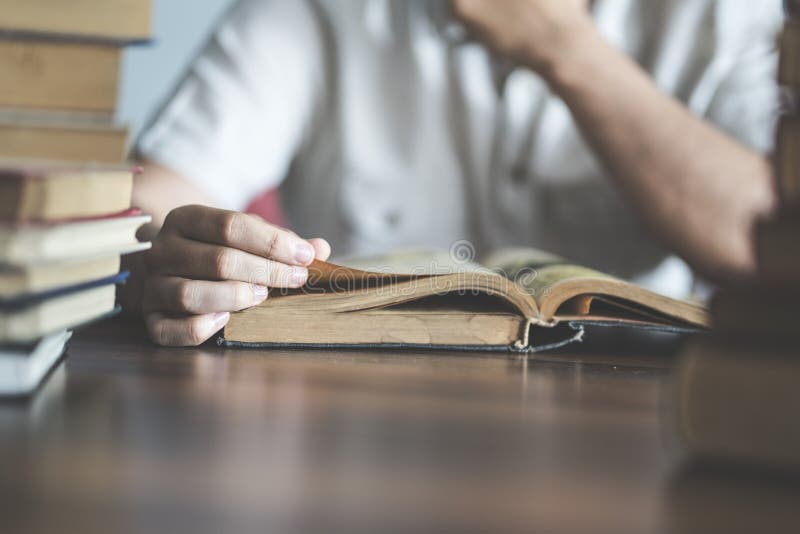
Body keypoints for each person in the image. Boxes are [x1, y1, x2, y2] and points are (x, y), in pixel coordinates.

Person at [130, 0, 783, 346]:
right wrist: (177, 253)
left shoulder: (725, 15)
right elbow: (154, 202)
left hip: (646, 434)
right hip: (357, 430)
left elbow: (769, 241)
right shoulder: (316, 11)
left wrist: (565, 45)